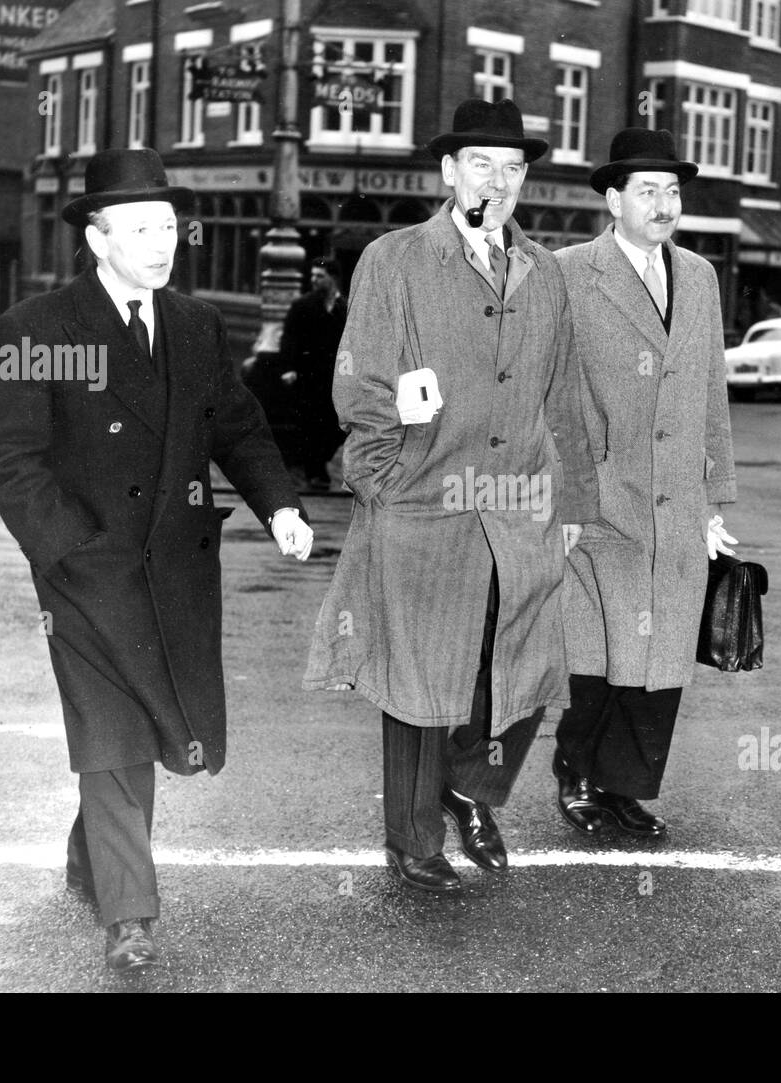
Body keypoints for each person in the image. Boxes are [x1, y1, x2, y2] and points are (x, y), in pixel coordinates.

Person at [0, 149, 313, 970]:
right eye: (141, 228)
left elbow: (236, 425)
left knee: (157, 716)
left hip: (174, 569)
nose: (163, 243)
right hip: (85, 574)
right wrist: (68, 548)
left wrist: (283, 506)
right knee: (114, 727)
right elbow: (4, 457)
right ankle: (132, 913)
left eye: (168, 227)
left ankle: (95, 857)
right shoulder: (41, 329)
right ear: (96, 237)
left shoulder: (195, 326)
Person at [303, 98, 599, 891]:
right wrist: (387, 452)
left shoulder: (543, 270)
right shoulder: (394, 260)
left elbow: (563, 395)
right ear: (447, 172)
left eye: (512, 168)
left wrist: (570, 505)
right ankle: (413, 841)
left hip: (519, 504)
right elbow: (356, 383)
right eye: (481, 164)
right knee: (420, 677)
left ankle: (469, 786)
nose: (497, 182)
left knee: (524, 663)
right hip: (424, 498)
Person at [551, 128, 738, 838]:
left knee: (660, 660)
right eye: (648, 191)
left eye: (673, 192)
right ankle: (577, 771)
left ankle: (626, 786)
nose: (664, 205)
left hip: (679, 503)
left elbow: (711, 394)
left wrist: (715, 500)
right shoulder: (569, 271)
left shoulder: (700, 275)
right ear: (613, 199)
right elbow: (552, 388)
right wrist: (571, 486)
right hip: (603, 494)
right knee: (596, 654)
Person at [276, 258, 348, 490]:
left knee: (336, 426)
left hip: (335, 378)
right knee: (310, 425)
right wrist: (288, 368)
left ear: (333, 278)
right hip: (308, 377)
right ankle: (316, 472)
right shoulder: (302, 305)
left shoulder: (345, 307)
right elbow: (289, 338)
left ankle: (320, 464)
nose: (314, 281)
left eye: (319, 276)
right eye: (313, 276)